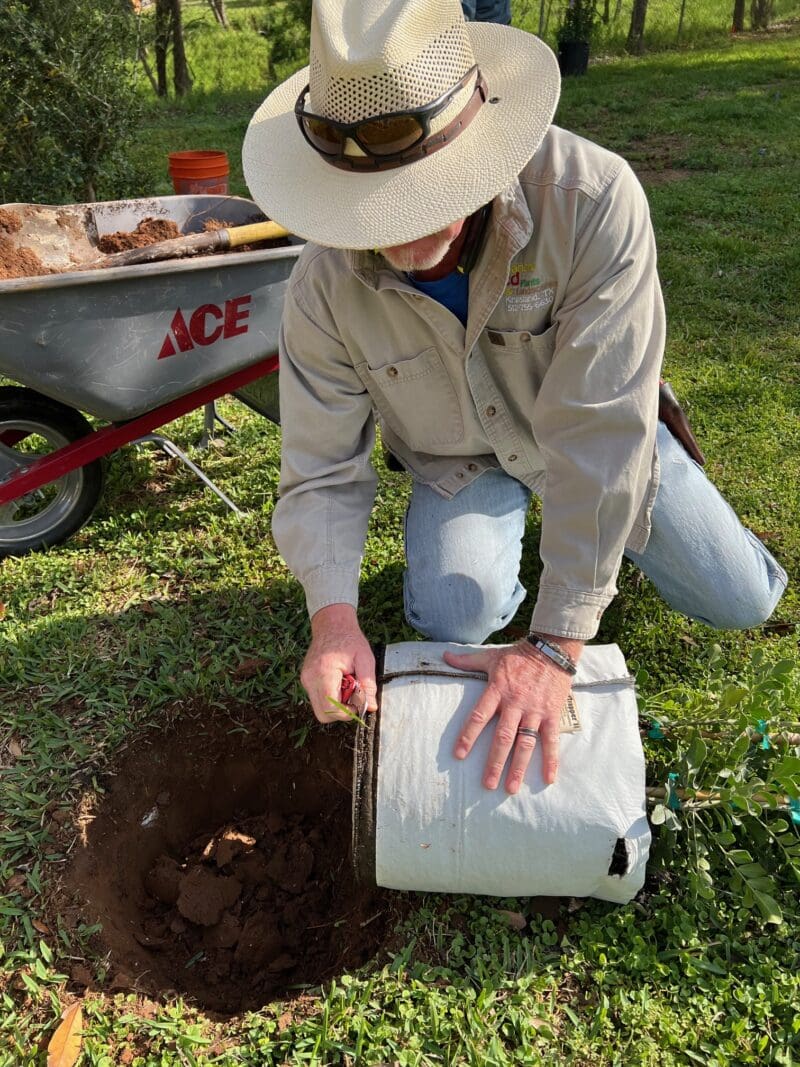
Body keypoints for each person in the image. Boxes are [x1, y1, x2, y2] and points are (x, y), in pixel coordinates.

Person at [242, 0, 787, 795]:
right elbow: (321, 468)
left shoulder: (593, 202)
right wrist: (333, 619)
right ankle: (547, 548)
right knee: (452, 616)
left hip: (592, 427)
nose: (402, 232)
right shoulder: (320, 288)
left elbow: (598, 434)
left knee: (740, 598)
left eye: (424, 191)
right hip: (458, 458)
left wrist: (555, 647)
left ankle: (610, 539)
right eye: (376, 205)